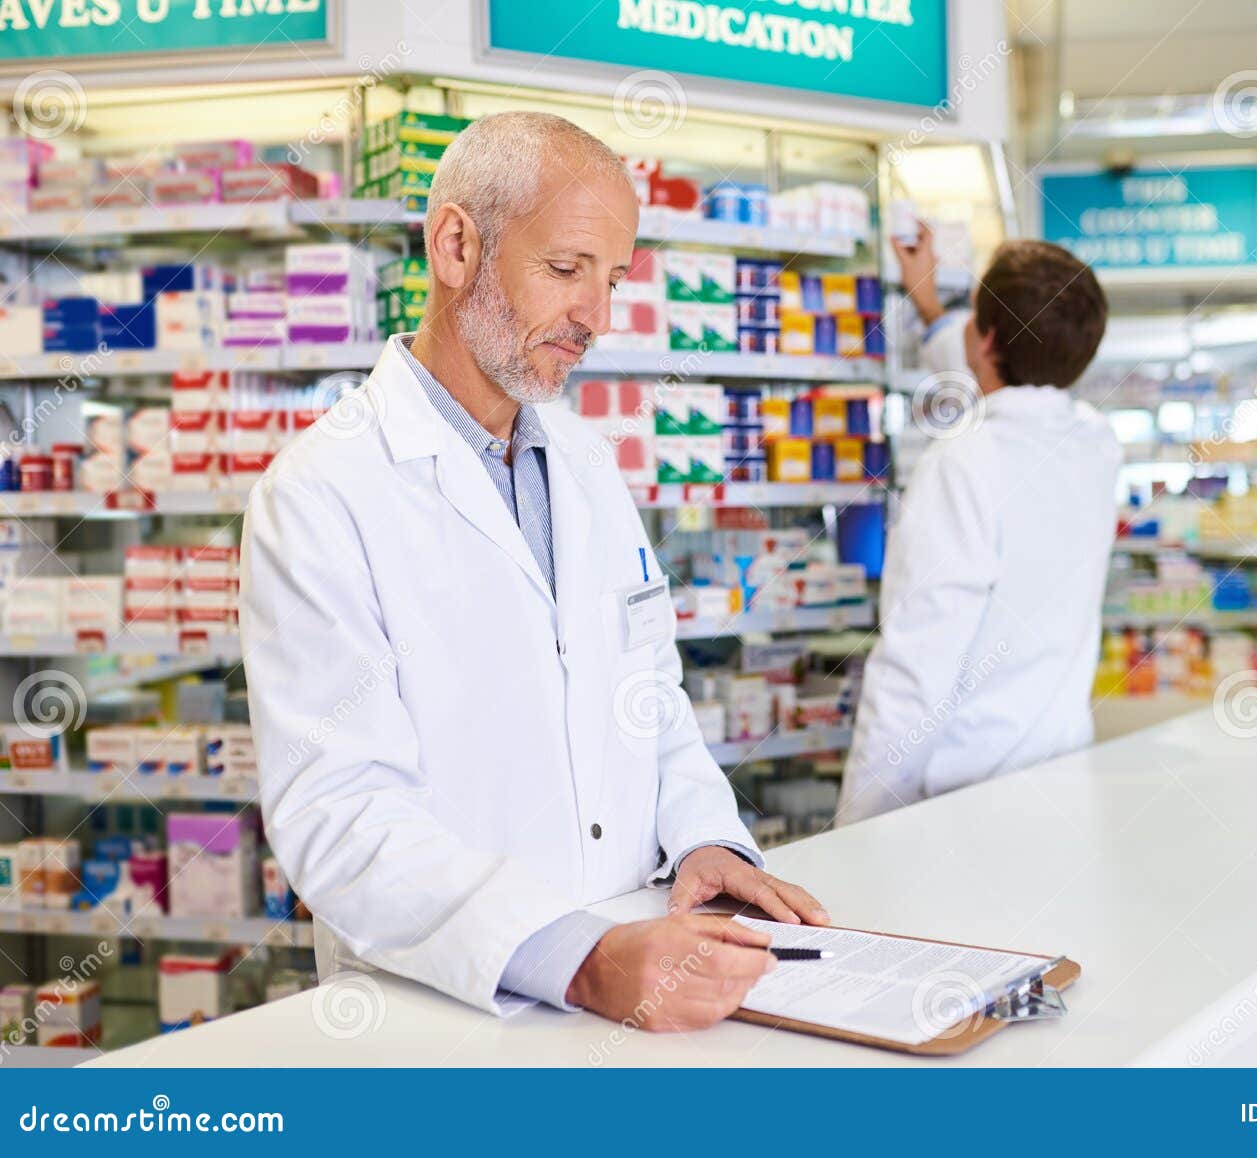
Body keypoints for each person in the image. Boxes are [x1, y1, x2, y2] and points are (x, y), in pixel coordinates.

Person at [241, 112, 827, 1031]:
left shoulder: (591, 466)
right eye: (566, 270)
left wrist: (707, 837)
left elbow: (651, 696)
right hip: (446, 1009)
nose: (596, 316)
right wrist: (580, 959)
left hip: (641, 966)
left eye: (613, 279)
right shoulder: (322, 491)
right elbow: (339, 813)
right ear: (455, 246)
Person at [836, 224, 1121, 823]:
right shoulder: (1095, 443)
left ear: (985, 338)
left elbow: (914, 669)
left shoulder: (962, 462)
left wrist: (853, 829)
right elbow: (1011, 394)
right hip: (1059, 774)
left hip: (962, 799)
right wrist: (933, 307)